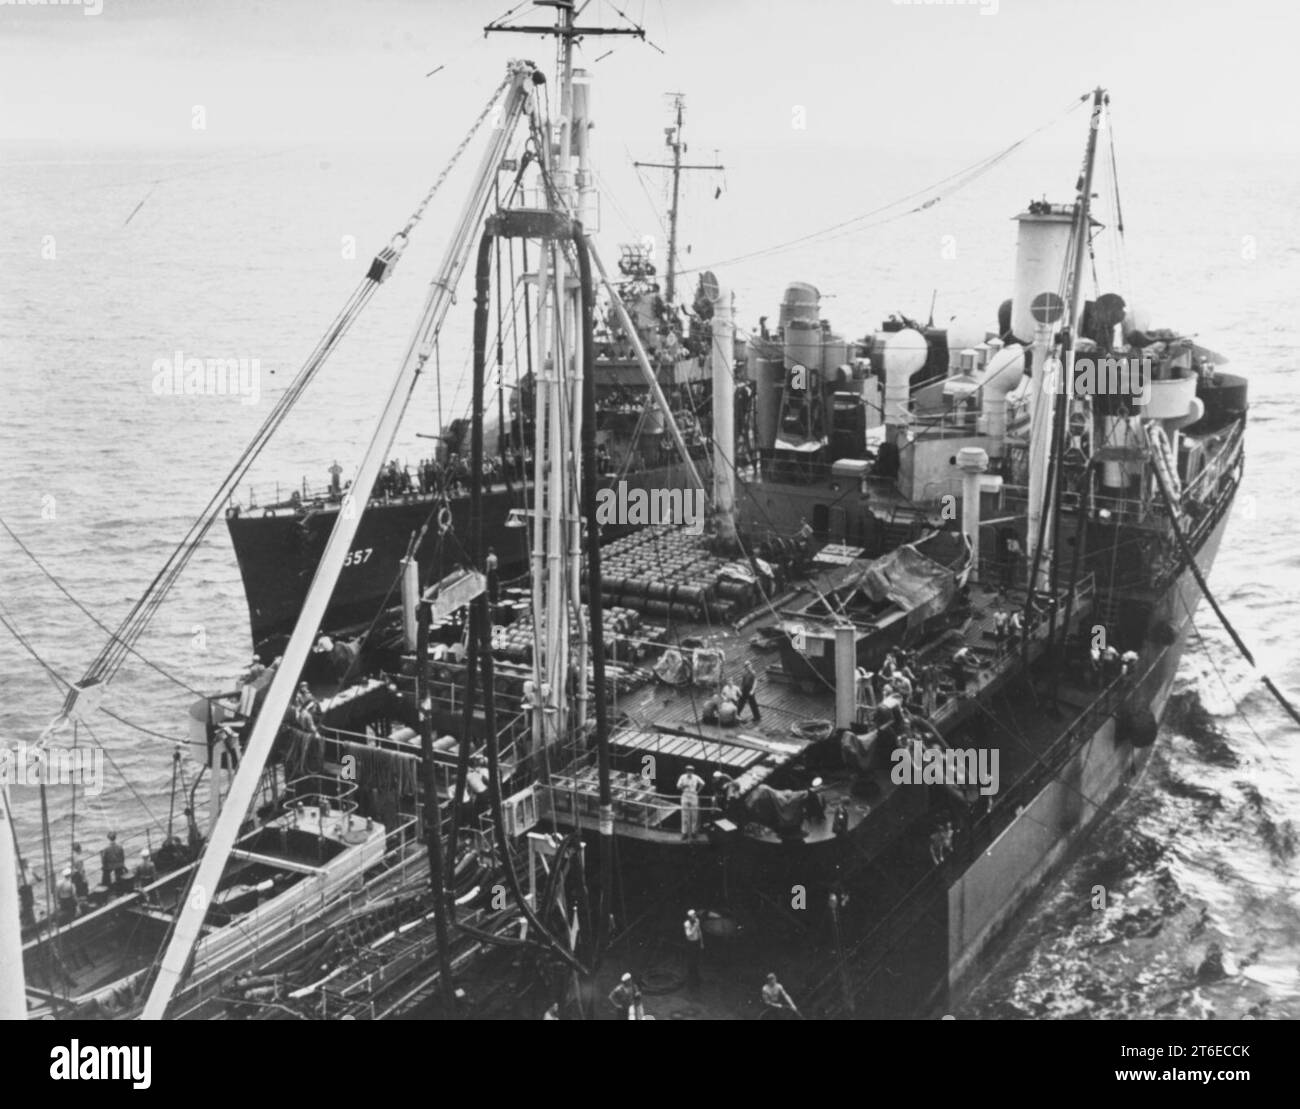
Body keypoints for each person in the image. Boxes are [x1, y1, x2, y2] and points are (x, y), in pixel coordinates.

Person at [677, 765, 705, 840]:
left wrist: (697, 791)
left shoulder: (696, 777)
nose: (689, 772)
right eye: (688, 770)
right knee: (684, 815)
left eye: (691, 771)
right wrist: (683, 786)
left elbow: (703, 783)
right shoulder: (682, 777)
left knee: (694, 815)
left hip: (693, 796)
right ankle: (684, 833)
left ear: (693, 771)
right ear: (686, 771)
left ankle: (693, 832)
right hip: (685, 795)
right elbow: (678, 786)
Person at [683, 909, 703, 988]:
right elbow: (688, 935)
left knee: (697, 959)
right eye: (693, 916)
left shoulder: (697, 920)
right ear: (689, 917)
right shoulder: (687, 924)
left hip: (696, 942)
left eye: (695, 915)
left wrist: (701, 942)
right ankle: (691, 979)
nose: (695, 916)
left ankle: (696, 977)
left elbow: (699, 931)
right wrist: (694, 926)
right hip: (690, 944)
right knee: (691, 961)